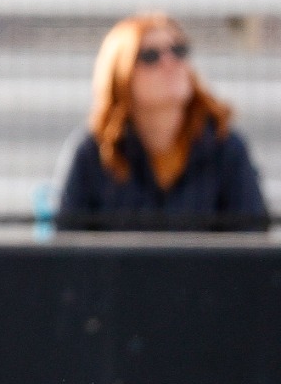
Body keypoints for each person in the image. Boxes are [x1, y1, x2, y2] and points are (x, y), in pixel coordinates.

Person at [56, 13, 267, 232]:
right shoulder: (94, 152)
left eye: (179, 51)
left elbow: (252, 246)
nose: (170, 63)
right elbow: (66, 251)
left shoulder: (225, 146)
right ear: (121, 76)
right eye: (150, 56)